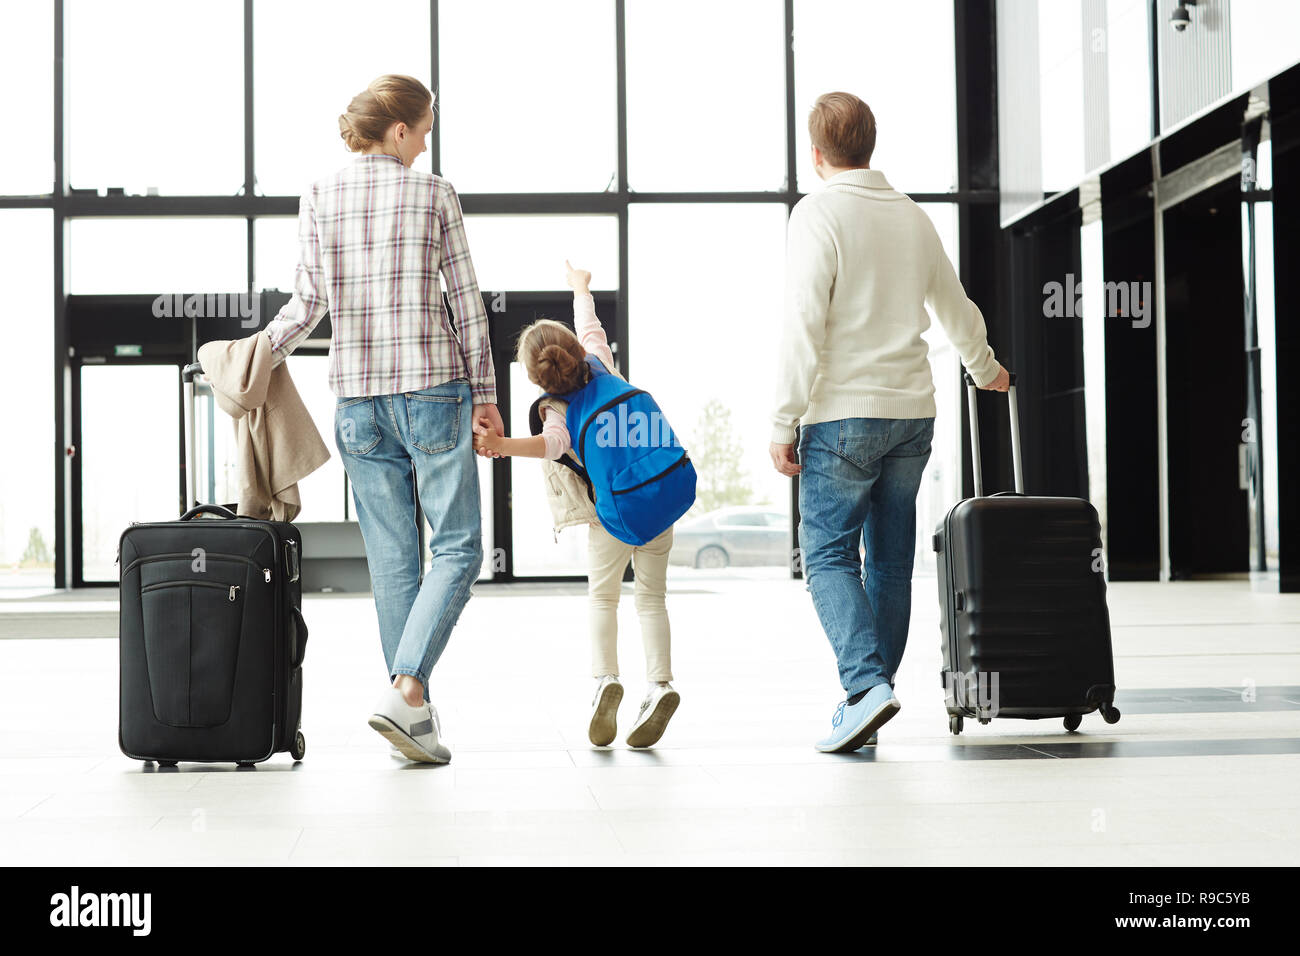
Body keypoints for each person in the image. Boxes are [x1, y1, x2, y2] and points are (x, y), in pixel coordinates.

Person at [261, 74, 505, 764]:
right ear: (399, 130)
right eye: (424, 131)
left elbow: (305, 306)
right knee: (458, 547)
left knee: (395, 559)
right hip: (433, 388)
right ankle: (407, 688)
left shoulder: (320, 195)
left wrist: (255, 356)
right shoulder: (434, 193)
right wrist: (485, 390)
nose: (425, 145)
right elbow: (466, 302)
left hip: (358, 400)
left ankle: (413, 718)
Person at [769, 91, 1009, 754]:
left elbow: (803, 323)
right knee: (891, 563)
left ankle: (865, 688)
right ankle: (870, 695)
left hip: (843, 414)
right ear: (869, 147)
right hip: (911, 414)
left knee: (825, 554)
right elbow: (956, 309)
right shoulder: (911, 217)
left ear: (816, 155)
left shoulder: (817, 213)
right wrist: (986, 369)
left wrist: (784, 418)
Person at [473, 261, 680, 749]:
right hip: (661, 498)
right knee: (652, 599)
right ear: (575, 352)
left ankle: (606, 680)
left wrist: (501, 447)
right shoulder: (603, 365)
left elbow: (550, 446)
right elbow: (591, 327)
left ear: (533, 375)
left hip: (612, 515)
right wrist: (580, 287)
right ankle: (660, 686)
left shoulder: (556, 408)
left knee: (603, 598)